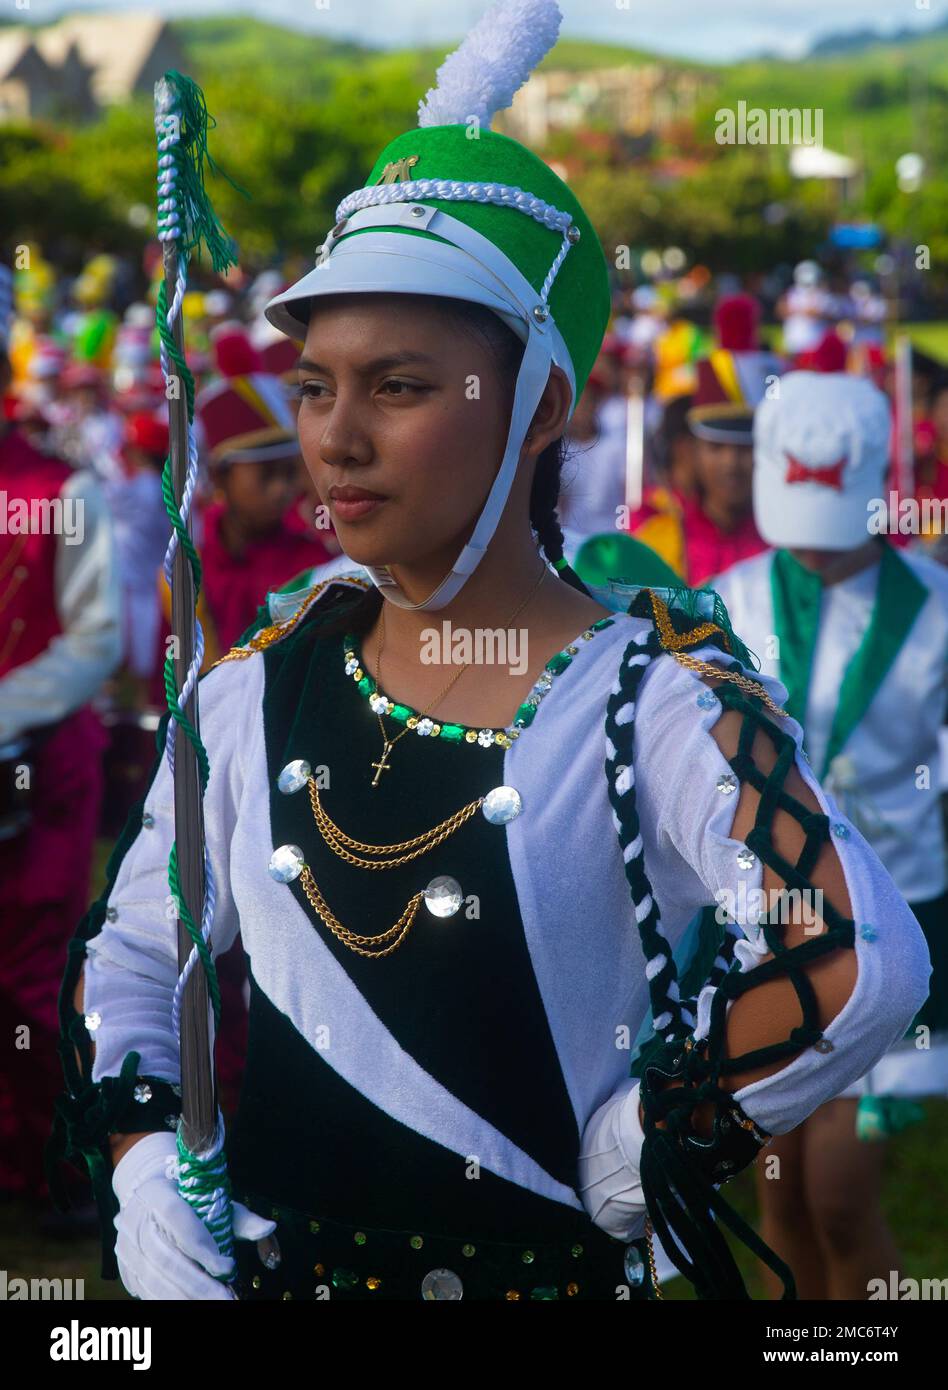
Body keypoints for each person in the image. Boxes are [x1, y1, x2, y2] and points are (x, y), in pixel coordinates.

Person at [47, 2, 930, 1302]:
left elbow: (858, 961)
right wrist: (140, 1157)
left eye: (398, 385)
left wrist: (669, 1129)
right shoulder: (252, 684)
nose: (335, 438)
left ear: (543, 406)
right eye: (316, 383)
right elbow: (131, 958)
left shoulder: (654, 699)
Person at [714, 370, 948, 1299]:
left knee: (842, 1194)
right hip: (770, 931)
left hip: (902, 928)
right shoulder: (722, 602)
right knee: (780, 1203)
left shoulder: (936, 611)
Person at [0, 282, 122, 1207]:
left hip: (37, 767)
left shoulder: (61, 490)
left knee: (32, 972)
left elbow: (95, 641)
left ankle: (51, 1164)